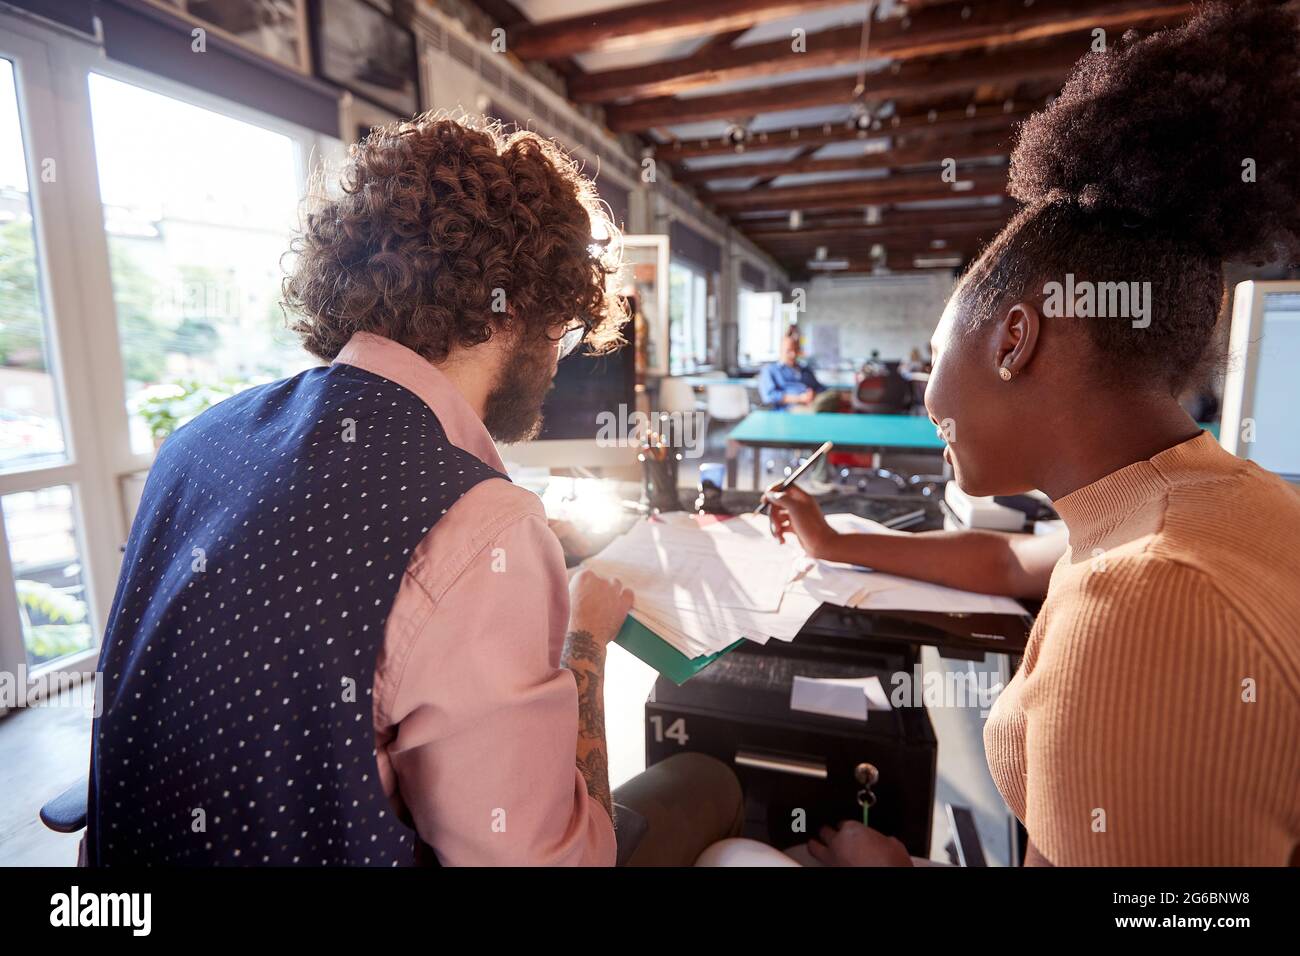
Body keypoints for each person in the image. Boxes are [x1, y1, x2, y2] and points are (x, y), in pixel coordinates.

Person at [86, 116, 741, 866]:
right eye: (559, 327)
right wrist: (583, 645)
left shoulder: (199, 442)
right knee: (705, 780)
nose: (556, 358)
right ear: (516, 308)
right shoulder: (480, 523)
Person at [767, 1, 1300, 866]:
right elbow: (1006, 562)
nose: (929, 397)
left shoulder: (1145, 602)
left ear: (1014, 339)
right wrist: (837, 540)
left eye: (936, 355)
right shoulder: (1205, 500)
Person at [758, 333, 838, 412]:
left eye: (796, 350)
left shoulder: (805, 369)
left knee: (834, 395)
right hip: (790, 408)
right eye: (789, 350)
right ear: (780, 350)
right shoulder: (771, 370)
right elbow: (769, 396)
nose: (793, 354)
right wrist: (799, 398)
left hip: (814, 402)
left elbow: (819, 387)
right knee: (815, 411)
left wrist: (813, 394)